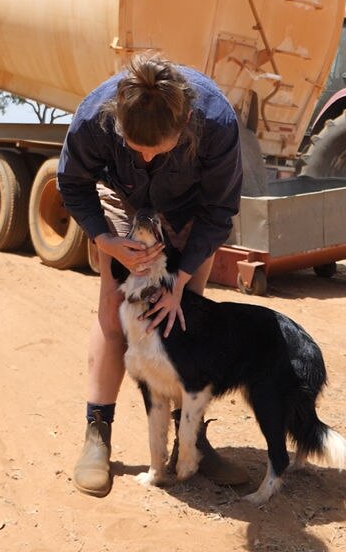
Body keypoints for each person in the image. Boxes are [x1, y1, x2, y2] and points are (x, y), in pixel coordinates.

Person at [57, 51, 248, 497]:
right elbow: (72, 183)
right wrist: (105, 240)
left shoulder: (216, 121)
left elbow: (220, 209)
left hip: (189, 210)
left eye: (155, 150)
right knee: (115, 308)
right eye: (133, 148)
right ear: (117, 122)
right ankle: (97, 436)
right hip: (120, 201)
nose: (143, 158)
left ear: (184, 130)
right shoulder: (94, 116)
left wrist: (179, 282)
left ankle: (192, 439)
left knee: (182, 319)